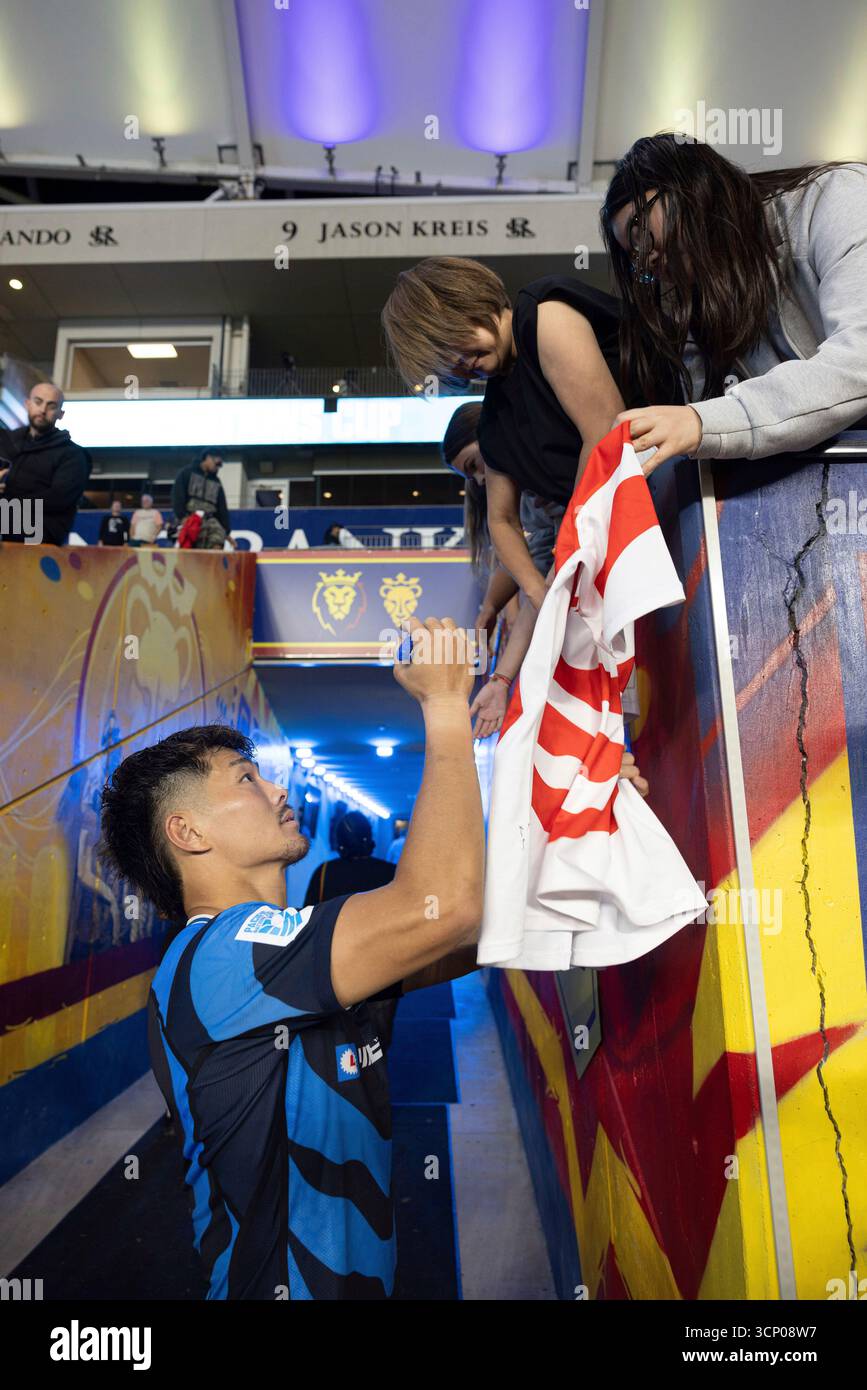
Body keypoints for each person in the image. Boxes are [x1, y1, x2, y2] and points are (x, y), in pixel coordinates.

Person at [98, 618, 485, 1301]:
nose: (278, 790)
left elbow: (461, 936)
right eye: (247, 779)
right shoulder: (225, 955)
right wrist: (445, 707)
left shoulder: (273, 946)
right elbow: (445, 906)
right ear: (186, 833)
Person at [599, 136, 867, 473]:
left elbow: (859, 362)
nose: (645, 258)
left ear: (692, 187)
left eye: (640, 230)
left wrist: (702, 422)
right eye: (632, 255)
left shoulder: (838, 198)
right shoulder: (694, 298)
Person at [381, 257, 626, 611]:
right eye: (444, 359)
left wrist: (573, 543)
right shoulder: (494, 425)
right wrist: (537, 592)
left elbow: (605, 432)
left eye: (454, 339)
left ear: (469, 300)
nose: (458, 361)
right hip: (608, 544)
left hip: (676, 486)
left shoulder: (544, 315)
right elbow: (501, 519)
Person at [304, 811, 400, 1049]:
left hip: (337, 980)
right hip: (383, 979)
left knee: (339, 1053)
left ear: (340, 843)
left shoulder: (324, 872)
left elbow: (307, 924)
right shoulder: (391, 872)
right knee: (377, 1050)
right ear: (370, 838)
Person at [0, 382, 91, 545]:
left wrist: (8, 498)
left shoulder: (73, 455)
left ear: (60, 414)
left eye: (51, 406)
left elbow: (57, 500)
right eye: (38, 401)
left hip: (39, 535)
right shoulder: (7, 443)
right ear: (27, 404)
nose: (42, 410)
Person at [171, 449, 236, 550]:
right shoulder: (186, 473)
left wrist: (226, 532)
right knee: (189, 549)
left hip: (210, 520)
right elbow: (177, 496)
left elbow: (222, 507)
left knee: (217, 542)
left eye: (220, 465)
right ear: (208, 458)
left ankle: (213, 565)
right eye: (217, 464)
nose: (218, 468)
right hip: (190, 518)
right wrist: (183, 518)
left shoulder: (217, 482)